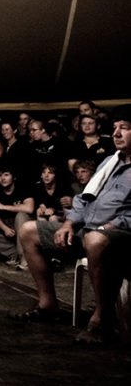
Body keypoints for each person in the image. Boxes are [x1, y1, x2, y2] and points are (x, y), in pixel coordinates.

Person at [13, 106, 131, 344]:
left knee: (95, 239)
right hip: (86, 229)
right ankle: (48, 305)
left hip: (118, 234)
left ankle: (102, 319)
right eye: (115, 128)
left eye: (125, 128)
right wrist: (68, 223)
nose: (116, 134)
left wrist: (113, 225)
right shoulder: (110, 161)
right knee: (28, 230)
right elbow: (85, 197)